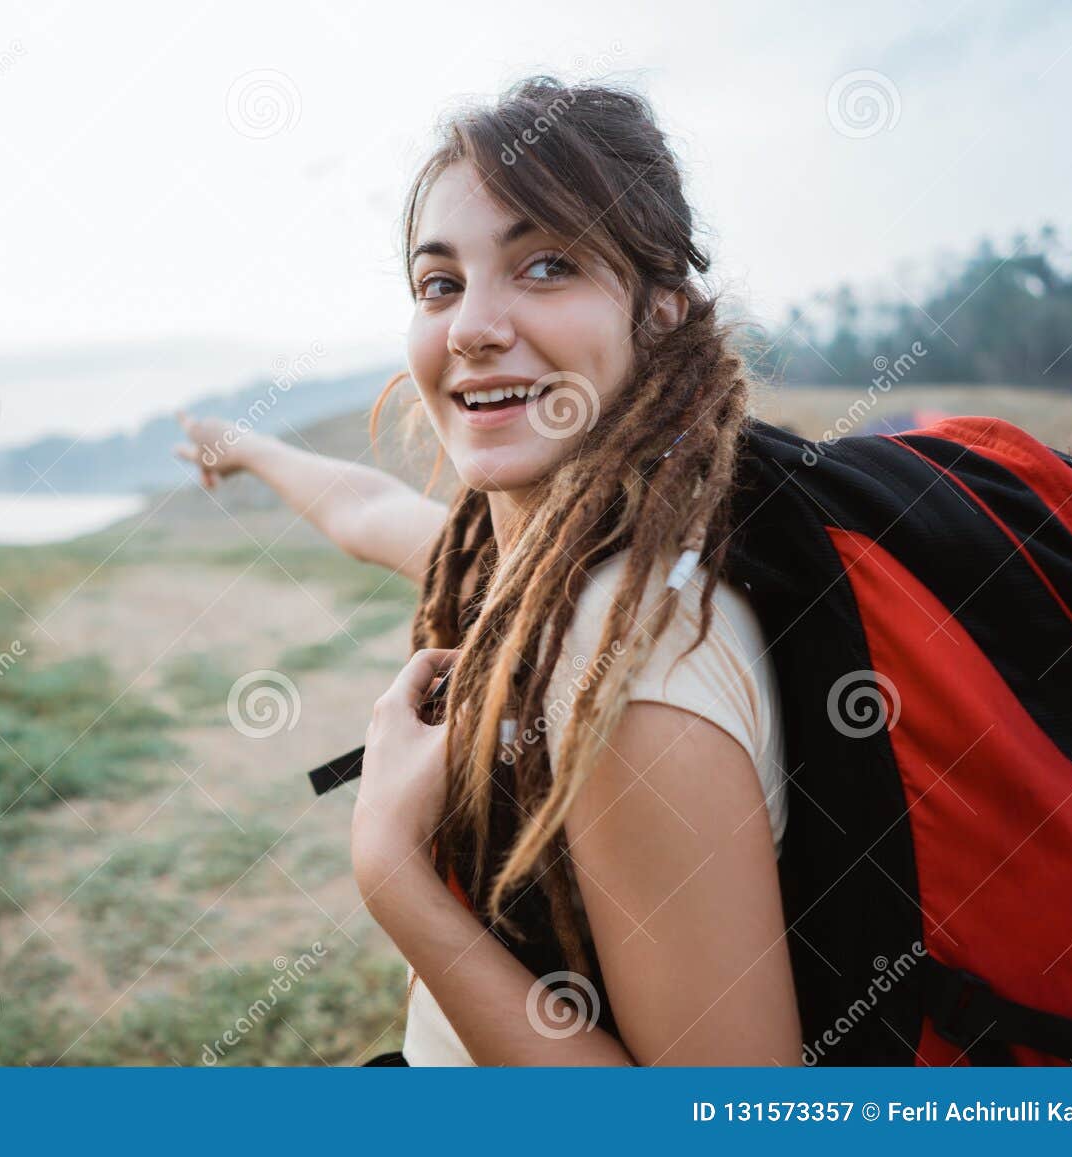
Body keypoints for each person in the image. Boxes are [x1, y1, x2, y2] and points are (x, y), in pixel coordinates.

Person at [173, 76, 799, 1065]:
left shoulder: (620, 661)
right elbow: (365, 508)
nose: (470, 326)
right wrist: (241, 449)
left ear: (661, 314)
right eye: (440, 282)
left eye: (545, 264)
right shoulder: (538, 568)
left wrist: (392, 874)